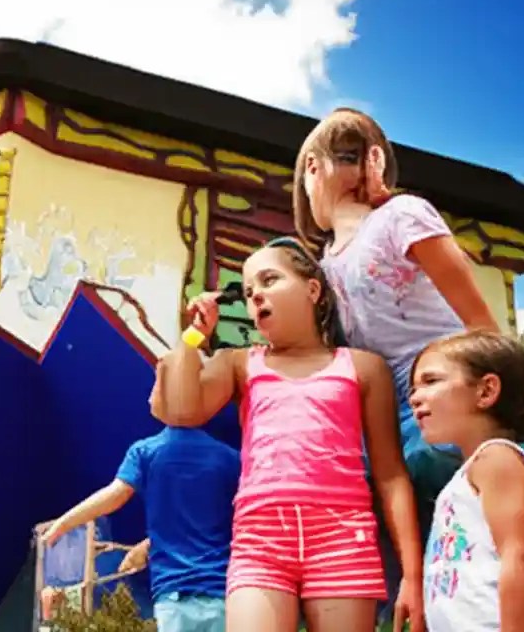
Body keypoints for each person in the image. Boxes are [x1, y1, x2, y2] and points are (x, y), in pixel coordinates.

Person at [155, 238, 424, 631]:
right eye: (248, 292)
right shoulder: (239, 363)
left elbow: (391, 475)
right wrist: (193, 336)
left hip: (343, 536)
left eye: (269, 280)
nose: (256, 295)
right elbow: (181, 410)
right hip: (260, 537)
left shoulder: (365, 368)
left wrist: (412, 577)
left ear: (313, 290)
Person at [293, 107, 501, 589]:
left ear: (312, 170)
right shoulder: (325, 266)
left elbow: (479, 320)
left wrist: (503, 398)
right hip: (385, 422)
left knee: (450, 510)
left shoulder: (400, 217)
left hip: (443, 398)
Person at [41, 377, 239, 632]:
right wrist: (147, 546)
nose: (149, 395)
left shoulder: (146, 451)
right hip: (225, 592)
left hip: (174, 593)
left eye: (157, 387)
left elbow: (115, 495)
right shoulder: (229, 458)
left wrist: (63, 524)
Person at [409, 330, 524, 630]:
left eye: (431, 381)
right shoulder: (468, 474)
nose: (415, 398)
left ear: (486, 391)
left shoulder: (496, 459)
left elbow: (522, 559)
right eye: (413, 389)